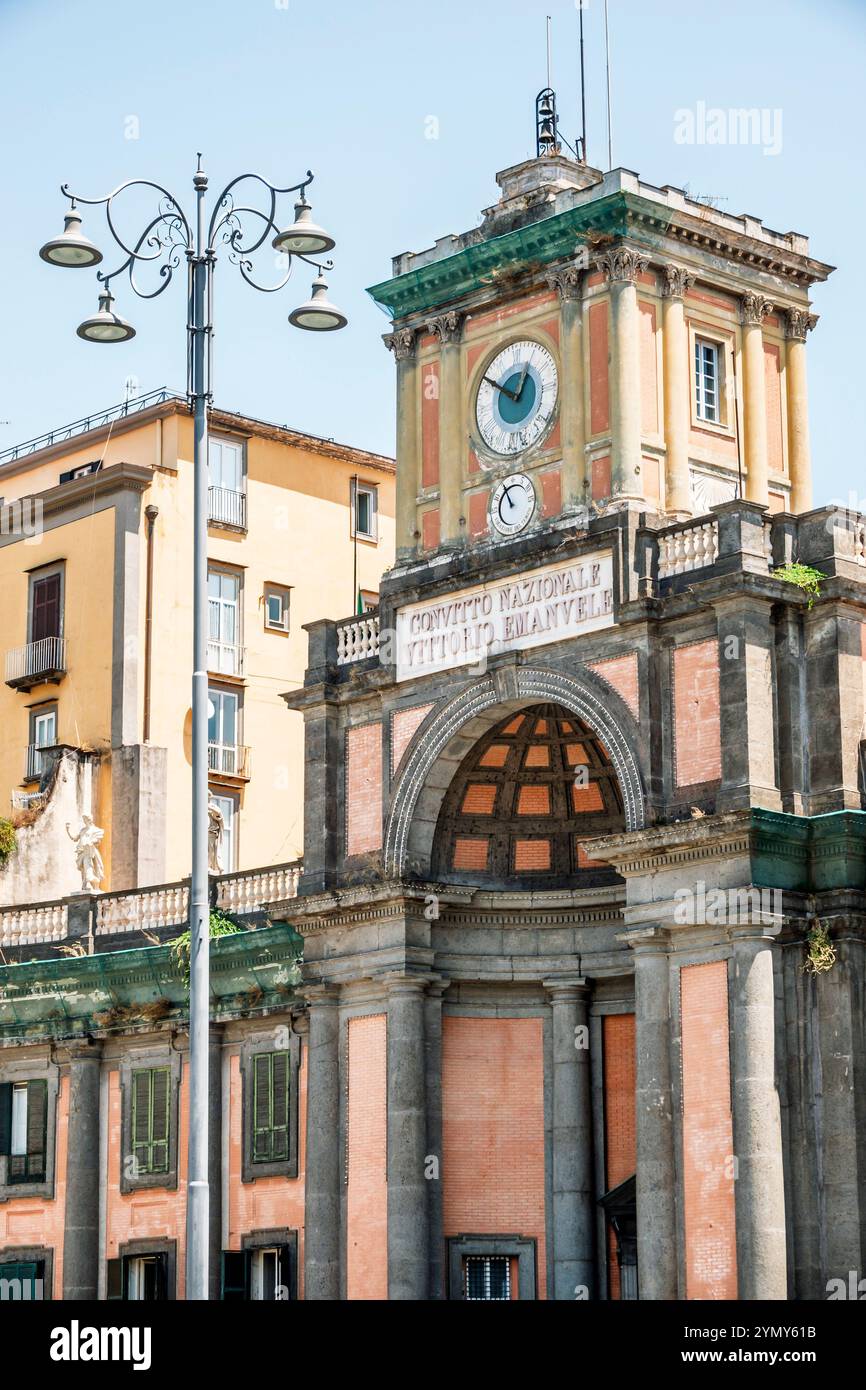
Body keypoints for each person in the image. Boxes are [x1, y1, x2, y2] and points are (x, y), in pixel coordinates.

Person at [66, 815, 105, 892]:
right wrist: (68, 830)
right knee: (84, 870)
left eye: (86, 819)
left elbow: (98, 841)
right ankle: (85, 886)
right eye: (84, 819)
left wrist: (91, 842)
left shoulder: (95, 830)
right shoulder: (83, 830)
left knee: (88, 870)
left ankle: (95, 881)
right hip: (81, 852)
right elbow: (74, 838)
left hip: (89, 852)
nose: (85, 821)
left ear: (89, 819)